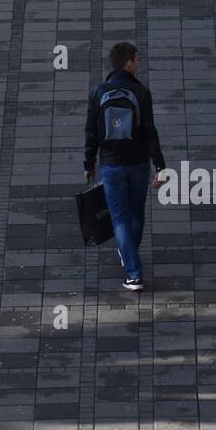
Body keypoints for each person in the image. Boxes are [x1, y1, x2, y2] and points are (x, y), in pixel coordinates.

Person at [85, 42, 166, 291]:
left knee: (119, 219)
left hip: (110, 165)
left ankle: (133, 272)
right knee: (136, 214)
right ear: (128, 63)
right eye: (137, 60)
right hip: (138, 164)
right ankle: (129, 253)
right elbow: (150, 131)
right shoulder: (141, 93)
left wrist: (89, 163)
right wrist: (159, 165)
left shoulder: (99, 92)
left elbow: (90, 131)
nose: (138, 64)